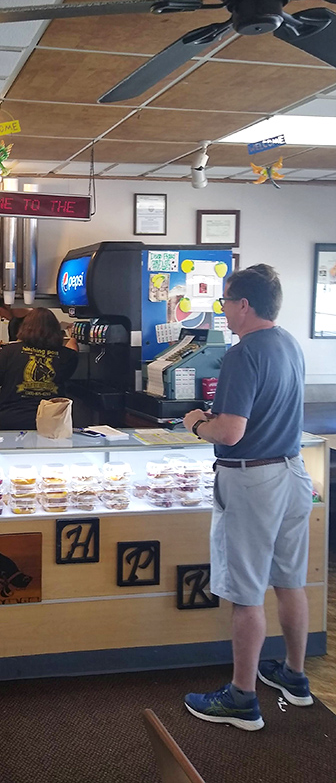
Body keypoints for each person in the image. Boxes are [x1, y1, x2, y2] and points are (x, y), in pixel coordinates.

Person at [182, 264, 314, 732]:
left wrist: (196, 421)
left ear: (243, 304)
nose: (223, 311)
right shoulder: (289, 344)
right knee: (289, 581)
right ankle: (295, 678)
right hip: (292, 473)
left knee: (246, 593)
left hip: (252, 480)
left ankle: (242, 698)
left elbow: (231, 432)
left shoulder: (243, 354)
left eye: (224, 302)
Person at [0, 307, 79, 430]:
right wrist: (73, 337)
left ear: (25, 328)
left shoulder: (10, 352)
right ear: (56, 330)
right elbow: (72, 349)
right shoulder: (67, 356)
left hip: (10, 420)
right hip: (51, 423)